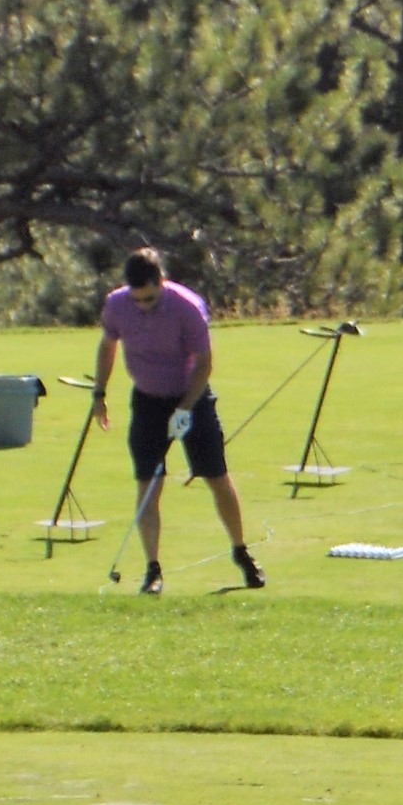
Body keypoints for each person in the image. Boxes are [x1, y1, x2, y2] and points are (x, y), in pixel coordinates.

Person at [86, 245, 262, 594]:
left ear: (161, 282)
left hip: (192, 398)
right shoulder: (117, 304)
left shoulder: (187, 307)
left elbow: (203, 363)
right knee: (149, 485)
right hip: (147, 401)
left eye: (149, 299)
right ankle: (153, 570)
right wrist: (99, 394)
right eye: (137, 300)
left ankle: (242, 553)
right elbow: (107, 346)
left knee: (215, 476)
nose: (142, 306)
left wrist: (184, 409)